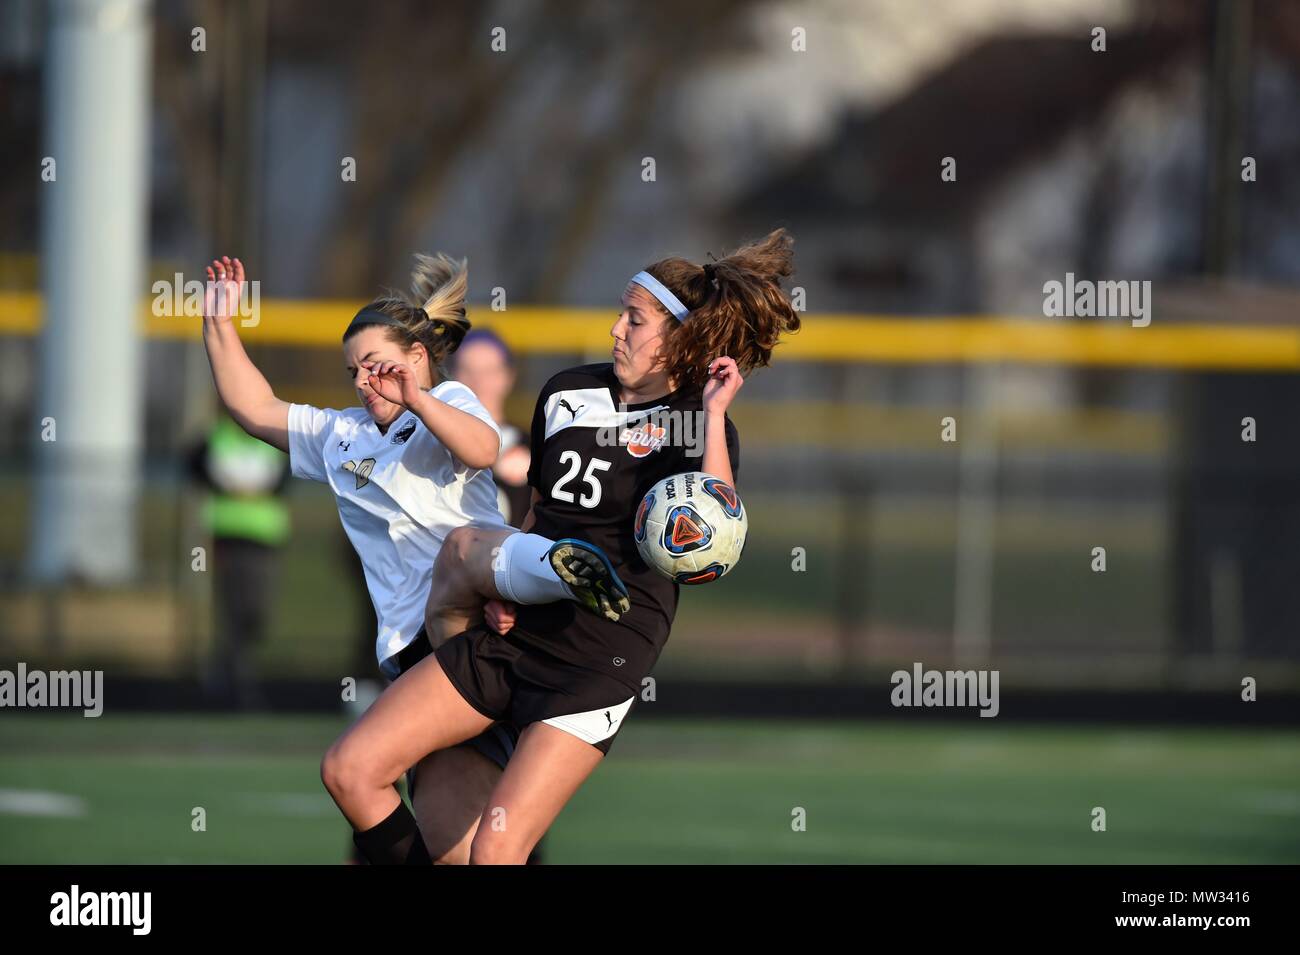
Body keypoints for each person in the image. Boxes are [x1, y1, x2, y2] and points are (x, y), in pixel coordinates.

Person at [322, 229, 801, 864]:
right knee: (351, 770)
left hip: (598, 659)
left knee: (494, 851)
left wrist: (713, 415)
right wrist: (501, 584)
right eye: (621, 315)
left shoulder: (697, 424)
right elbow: (535, 516)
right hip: (517, 630)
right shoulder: (568, 391)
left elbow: (713, 537)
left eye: (634, 319)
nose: (616, 330)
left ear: (682, 337)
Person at [198, 253, 610, 863]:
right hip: (419, 657)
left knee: (463, 550)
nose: (364, 382)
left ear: (417, 358)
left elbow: (480, 447)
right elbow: (254, 408)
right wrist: (219, 326)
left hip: (480, 628)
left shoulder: (449, 403)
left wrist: (420, 399)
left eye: (375, 366)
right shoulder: (342, 436)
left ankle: (551, 572)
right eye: (353, 372)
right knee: (454, 851)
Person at [187, 412, 290, 710]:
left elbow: (284, 478)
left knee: (256, 614)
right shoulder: (216, 437)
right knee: (233, 613)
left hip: (265, 537)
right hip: (227, 536)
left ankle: (226, 674)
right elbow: (194, 466)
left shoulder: (273, 440)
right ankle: (233, 685)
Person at [448, 329, 532, 527]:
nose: (478, 382)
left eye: (489, 371)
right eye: (468, 370)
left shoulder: (535, 445)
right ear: (452, 376)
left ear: (509, 376)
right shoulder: (432, 442)